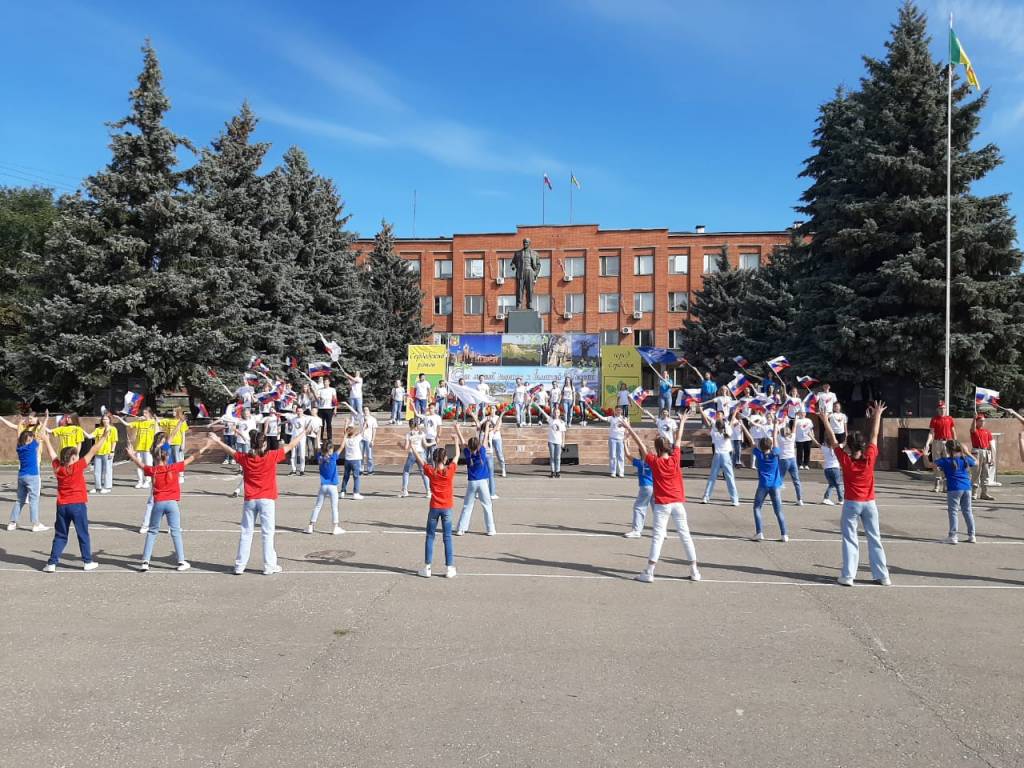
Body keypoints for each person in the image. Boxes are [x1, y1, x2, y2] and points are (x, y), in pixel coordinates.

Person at [206, 428, 305, 575]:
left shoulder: (246, 457)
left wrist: (217, 440)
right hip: (266, 499)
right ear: (264, 444)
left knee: (246, 533)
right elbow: (290, 445)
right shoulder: (272, 456)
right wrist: (304, 432)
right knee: (267, 533)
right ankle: (269, 565)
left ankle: (240, 566)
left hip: (251, 499)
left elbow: (230, 451)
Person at [821, 401, 891, 587]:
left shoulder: (845, 460)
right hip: (870, 503)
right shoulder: (870, 456)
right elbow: (875, 435)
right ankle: (883, 575)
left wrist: (824, 420)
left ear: (850, 447)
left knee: (850, 539)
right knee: (874, 538)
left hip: (852, 503)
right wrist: (878, 415)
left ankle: (848, 576)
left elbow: (833, 440)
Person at [624, 415, 700, 583]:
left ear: (657, 449)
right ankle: (694, 570)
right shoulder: (675, 458)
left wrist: (629, 428)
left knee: (657, 537)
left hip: (663, 504)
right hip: (678, 503)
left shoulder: (654, 462)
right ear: (668, 447)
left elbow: (641, 446)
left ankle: (650, 571)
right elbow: (679, 438)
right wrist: (683, 422)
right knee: (685, 535)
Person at [126, 438, 206, 571]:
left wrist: (132, 455)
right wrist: (206, 446)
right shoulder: (174, 467)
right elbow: (193, 457)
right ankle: (181, 561)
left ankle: (145, 562)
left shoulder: (153, 470)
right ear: (167, 456)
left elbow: (140, 465)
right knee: (175, 532)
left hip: (158, 503)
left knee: (152, 531)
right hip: (172, 504)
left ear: (154, 457)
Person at [41, 431, 103, 572]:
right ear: (74, 457)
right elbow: (93, 450)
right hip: (77, 505)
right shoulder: (78, 466)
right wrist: (104, 437)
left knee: (61, 535)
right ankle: (87, 561)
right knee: (83, 533)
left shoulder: (58, 468)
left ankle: (51, 563)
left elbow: (52, 455)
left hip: (62, 506)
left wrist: (46, 440)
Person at [411, 426, 463, 578]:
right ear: (445, 459)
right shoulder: (449, 471)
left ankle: (427, 567)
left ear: (434, 459)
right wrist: (455, 441)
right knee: (447, 537)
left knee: (430, 536)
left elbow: (421, 461)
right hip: (446, 507)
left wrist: (414, 448)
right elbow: (457, 456)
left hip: (434, 507)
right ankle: (449, 568)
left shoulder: (431, 472)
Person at [739, 418, 787, 542]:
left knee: (757, 507)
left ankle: (759, 532)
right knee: (778, 511)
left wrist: (743, 427)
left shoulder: (759, 454)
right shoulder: (775, 453)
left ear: (760, 446)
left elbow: (750, 440)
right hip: (775, 485)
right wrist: (775, 426)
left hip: (763, 485)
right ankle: (784, 534)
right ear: (771, 446)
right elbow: (775, 439)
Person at [455, 423, 495, 536]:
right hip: (482, 482)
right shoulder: (482, 451)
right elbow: (486, 437)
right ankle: (490, 529)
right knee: (487, 505)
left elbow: (462, 443)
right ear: (478, 445)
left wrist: (457, 429)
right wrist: (487, 427)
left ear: (469, 446)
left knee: (467, 506)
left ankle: (461, 528)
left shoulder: (467, 452)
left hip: (472, 482)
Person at [935, 441, 977, 544]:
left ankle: (953, 536)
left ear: (948, 450)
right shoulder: (966, 459)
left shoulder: (945, 461)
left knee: (953, 512)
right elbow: (976, 462)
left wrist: (925, 455)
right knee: (968, 512)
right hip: (967, 488)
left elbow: (928, 464)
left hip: (954, 489)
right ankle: (972, 535)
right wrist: (967, 452)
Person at [8, 427, 48, 532]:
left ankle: (12, 523)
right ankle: (36, 524)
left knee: (20, 500)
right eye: (31, 437)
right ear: (29, 439)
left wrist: (20, 426)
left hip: (21, 476)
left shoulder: (19, 448)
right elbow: (41, 433)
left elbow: (20, 437)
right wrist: (46, 418)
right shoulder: (32, 446)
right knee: (34, 500)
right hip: (32, 476)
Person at [700, 409, 740, 506]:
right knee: (728, 478)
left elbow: (710, 423)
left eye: (720, 415)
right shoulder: (722, 429)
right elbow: (729, 423)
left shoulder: (716, 431)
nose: (718, 416)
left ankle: (706, 497)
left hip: (721, 455)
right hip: (722, 455)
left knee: (713, 477)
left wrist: (701, 411)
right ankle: (734, 500)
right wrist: (735, 412)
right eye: (717, 414)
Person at [307, 440, 344, 535]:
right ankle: (335, 527)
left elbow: (319, 450)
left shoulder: (320, 458)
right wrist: (344, 437)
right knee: (334, 507)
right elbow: (341, 447)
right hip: (332, 486)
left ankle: (310, 526)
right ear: (330, 450)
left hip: (323, 486)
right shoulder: (333, 458)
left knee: (318, 506)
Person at [116, 409, 157, 489]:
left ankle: (147, 481)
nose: (144, 414)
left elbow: (155, 421)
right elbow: (127, 424)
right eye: (143, 412)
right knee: (138, 464)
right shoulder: (139, 423)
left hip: (148, 447)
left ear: (149, 414)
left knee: (148, 464)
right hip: (139, 447)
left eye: (146, 413)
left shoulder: (152, 422)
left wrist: (145, 418)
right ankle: (140, 481)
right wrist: (119, 418)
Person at [623, 435, 654, 538]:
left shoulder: (640, 463)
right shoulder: (654, 462)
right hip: (656, 487)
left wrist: (625, 443)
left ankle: (637, 530)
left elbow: (628, 454)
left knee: (639, 507)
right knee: (657, 509)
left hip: (645, 487)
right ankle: (662, 531)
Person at [587, 403, 628, 477]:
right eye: (617, 410)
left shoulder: (624, 419)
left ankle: (621, 472)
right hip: (612, 439)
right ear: (615, 411)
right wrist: (594, 412)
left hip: (621, 440)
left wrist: (627, 439)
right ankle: (613, 471)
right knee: (613, 456)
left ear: (621, 411)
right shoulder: (611, 418)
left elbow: (628, 429)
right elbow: (602, 418)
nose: (618, 411)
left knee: (621, 456)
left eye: (619, 410)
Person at [925, 404, 957, 493]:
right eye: (940, 408)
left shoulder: (949, 418)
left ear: (946, 409)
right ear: (937, 410)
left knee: (947, 463)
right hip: (937, 442)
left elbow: (953, 431)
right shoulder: (934, 419)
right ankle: (937, 485)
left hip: (947, 442)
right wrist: (928, 443)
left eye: (943, 408)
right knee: (937, 462)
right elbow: (931, 432)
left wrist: (955, 442)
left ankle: (946, 486)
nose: (942, 410)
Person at [399, 418, 430, 497]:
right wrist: (433, 442)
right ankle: (428, 491)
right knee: (424, 472)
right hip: (421, 453)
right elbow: (425, 445)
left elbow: (406, 447)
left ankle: (405, 490)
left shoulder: (409, 434)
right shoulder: (421, 433)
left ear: (410, 425)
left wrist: (399, 445)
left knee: (406, 471)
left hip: (412, 453)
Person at [776, 419, 804, 505]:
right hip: (792, 459)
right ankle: (800, 499)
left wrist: (776, 423)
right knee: (796, 480)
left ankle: (777, 499)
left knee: (779, 480)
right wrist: (795, 419)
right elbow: (794, 427)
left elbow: (775, 431)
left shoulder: (780, 438)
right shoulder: (792, 437)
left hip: (783, 459)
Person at [89, 413, 118, 494]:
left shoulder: (113, 429)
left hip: (107, 452)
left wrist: (112, 451)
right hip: (98, 452)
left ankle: (107, 487)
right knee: (96, 471)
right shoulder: (98, 429)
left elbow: (114, 441)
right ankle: (97, 487)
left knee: (107, 470)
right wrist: (83, 432)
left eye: (106, 419)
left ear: (109, 420)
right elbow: (90, 436)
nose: (105, 420)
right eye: (103, 419)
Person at [537, 403, 567, 478]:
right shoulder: (550, 420)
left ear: (559, 413)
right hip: (551, 441)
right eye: (555, 412)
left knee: (558, 457)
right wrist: (536, 405)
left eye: (558, 412)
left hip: (559, 442)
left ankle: (558, 471)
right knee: (552, 457)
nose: (556, 413)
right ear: (553, 413)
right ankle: (552, 471)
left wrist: (563, 442)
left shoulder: (562, 422)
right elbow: (543, 412)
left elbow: (563, 433)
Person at [969, 415, 995, 501]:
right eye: (980, 421)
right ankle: (974, 493)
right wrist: (973, 418)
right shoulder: (974, 430)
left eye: (983, 421)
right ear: (977, 422)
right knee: (976, 472)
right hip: (977, 451)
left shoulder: (987, 432)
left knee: (985, 473)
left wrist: (992, 457)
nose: (982, 422)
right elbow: (972, 429)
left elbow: (990, 445)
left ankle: (984, 493)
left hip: (986, 452)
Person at [339, 422, 364, 500]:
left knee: (346, 476)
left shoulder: (346, 439)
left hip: (347, 460)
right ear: (353, 433)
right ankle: (356, 493)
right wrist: (365, 423)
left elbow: (345, 433)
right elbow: (362, 431)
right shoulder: (356, 439)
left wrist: (345, 423)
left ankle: (342, 492)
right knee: (356, 477)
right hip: (356, 460)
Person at [312, 376, 338, 442]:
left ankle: (329, 438)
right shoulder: (320, 390)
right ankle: (320, 438)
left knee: (329, 424)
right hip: (321, 409)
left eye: (326, 382)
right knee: (321, 424)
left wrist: (335, 409)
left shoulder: (332, 389)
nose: (325, 383)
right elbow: (317, 399)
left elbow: (335, 399)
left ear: (329, 382)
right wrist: (314, 393)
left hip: (329, 408)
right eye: (324, 382)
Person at [287, 409, 313, 476]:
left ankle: (302, 470)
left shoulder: (305, 418)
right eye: (298, 411)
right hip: (294, 438)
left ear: (303, 412)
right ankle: (294, 470)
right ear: (296, 412)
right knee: (293, 455)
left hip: (302, 438)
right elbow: (287, 416)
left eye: (300, 411)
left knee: (302, 455)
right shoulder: (293, 418)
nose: (299, 413)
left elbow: (311, 418)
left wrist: (303, 414)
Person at [820, 439, 844, 506]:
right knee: (838, 485)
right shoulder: (837, 448)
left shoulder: (824, 449)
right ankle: (841, 500)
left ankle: (826, 498)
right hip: (835, 468)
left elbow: (817, 444)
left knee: (831, 484)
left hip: (827, 469)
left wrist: (811, 436)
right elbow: (844, 443)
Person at [360, 406, 378, 475]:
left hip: (368, 439)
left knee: (369, 455)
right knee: (360, 455)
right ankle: (360, 470)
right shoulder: (361, 418)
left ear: (369, 411)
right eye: (364, 410)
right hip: (361, 439)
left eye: (367, 410)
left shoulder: (373, 419)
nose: (365, 411)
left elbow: (374, 430)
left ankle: (370, 470)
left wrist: (372, 440)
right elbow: (354, 412)